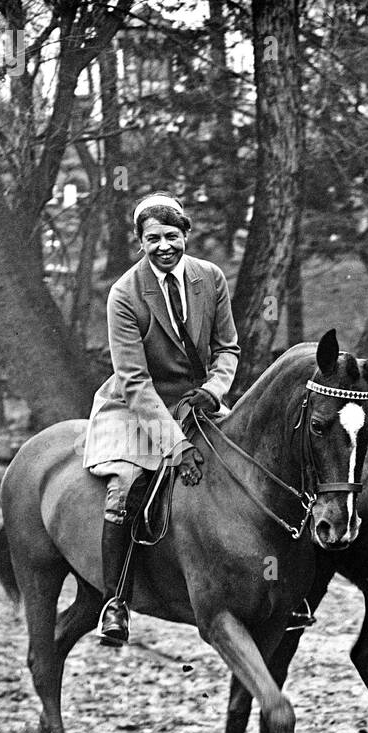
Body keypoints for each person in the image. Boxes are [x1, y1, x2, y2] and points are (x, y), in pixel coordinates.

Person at [83, 193, 239, 646]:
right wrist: (176, 445)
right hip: (137, 406)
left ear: (186, 235)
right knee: (127, 485)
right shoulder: (125, 294)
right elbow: (133, 380)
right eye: (153, 239)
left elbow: (227, 348)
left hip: (198, 399)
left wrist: (212, 391)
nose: (164, 246)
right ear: (141, 243)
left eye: (172, 236)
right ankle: (116, 602)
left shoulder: (210, 278)